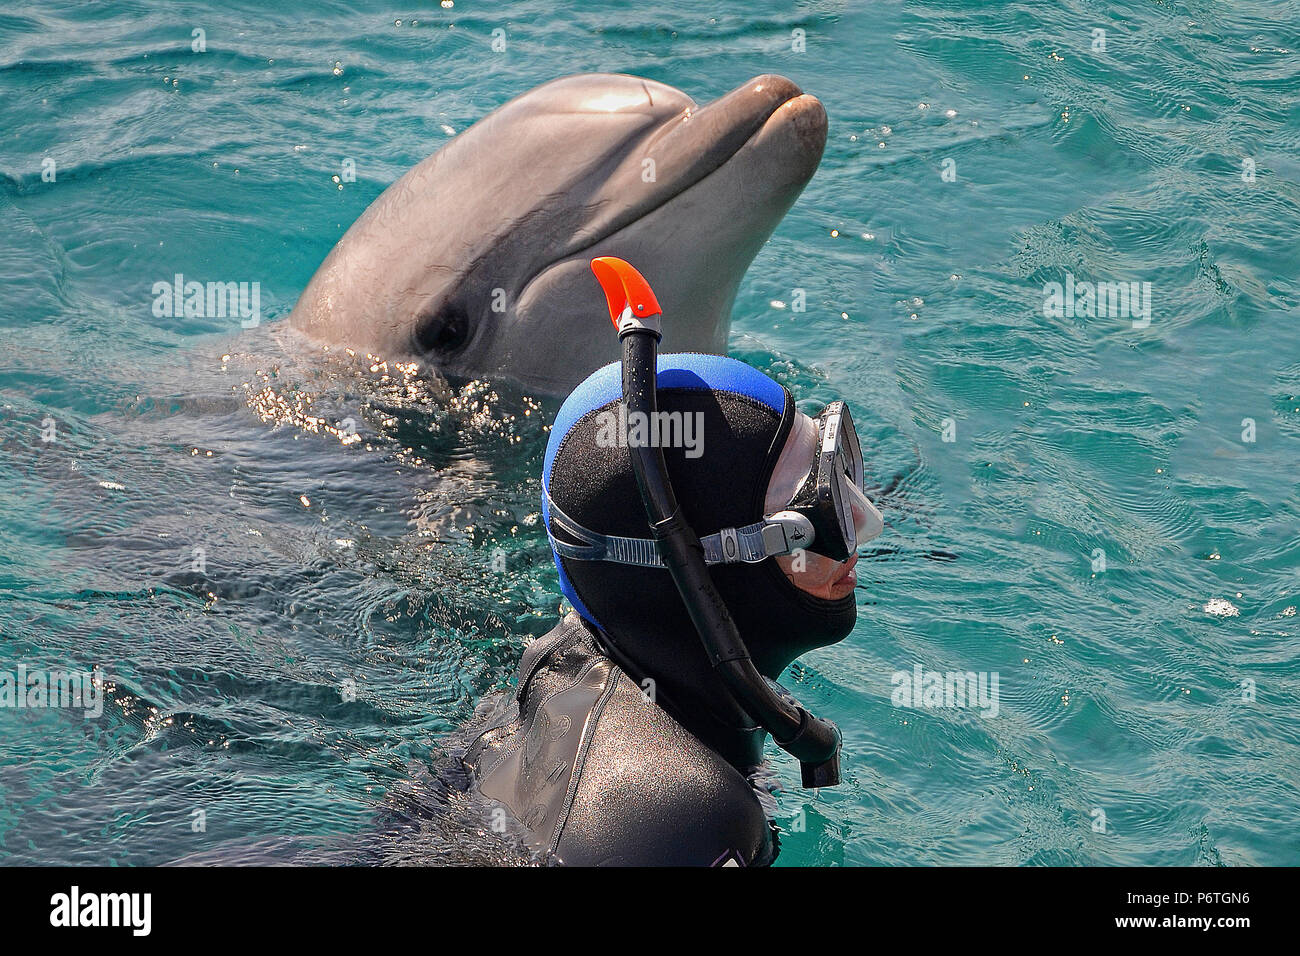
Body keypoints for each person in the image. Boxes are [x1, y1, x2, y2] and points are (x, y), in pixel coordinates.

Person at [462, 259, 883, 866]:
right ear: (700, 565)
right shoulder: (687, 823)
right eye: (820, 507)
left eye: (843, 473)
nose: (866, 523)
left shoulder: (589, 666)